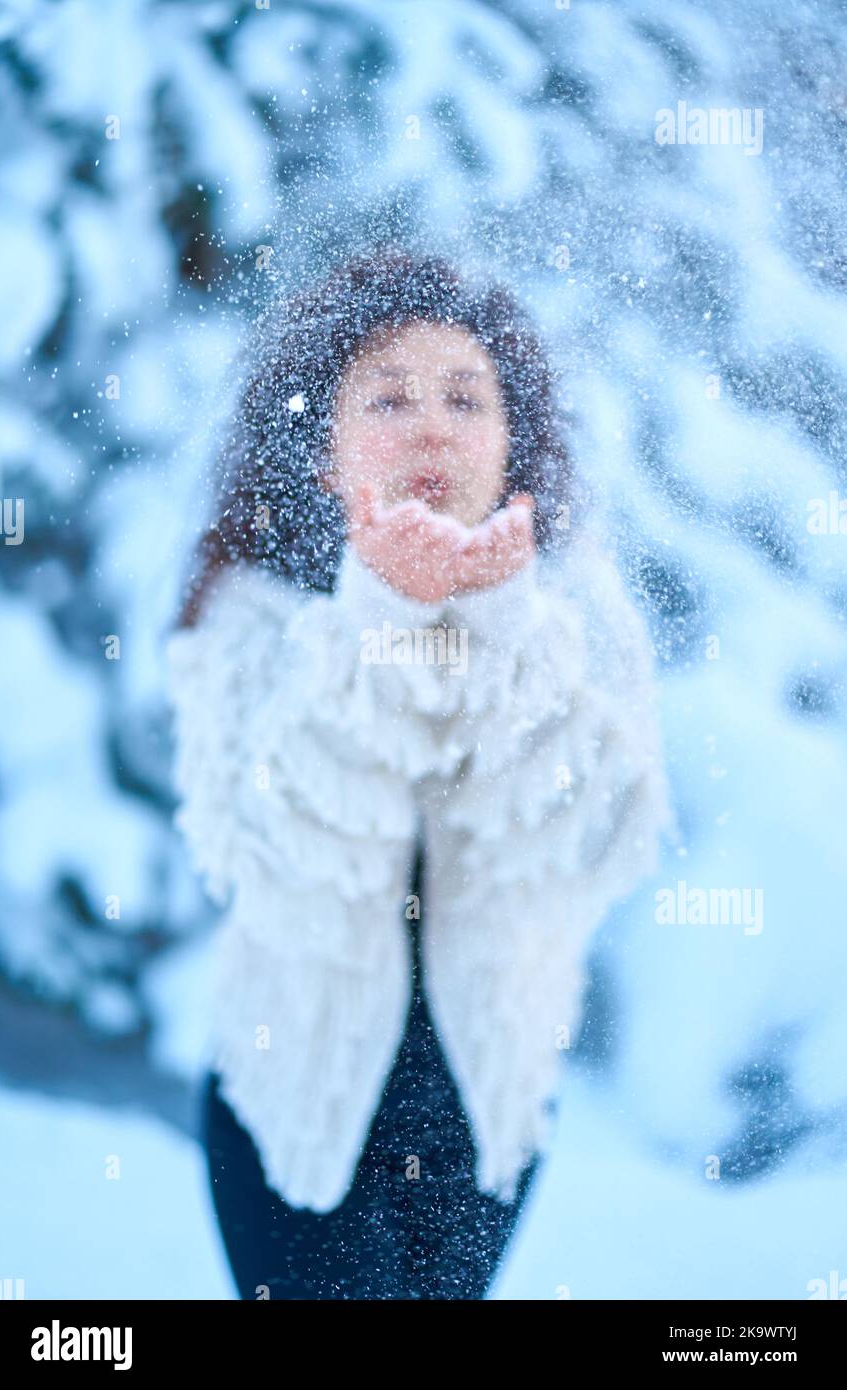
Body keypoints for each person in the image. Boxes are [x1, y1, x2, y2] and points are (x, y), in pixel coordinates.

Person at [165, 246, 672, 1299]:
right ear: (320, 448)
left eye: (465, 397)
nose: (432, 424)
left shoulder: (577, 612)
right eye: (387, 396)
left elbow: (592, 840)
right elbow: (277, 851)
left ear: (512, 443)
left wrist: (495, 625)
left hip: (489, 1109)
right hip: (289, 1104)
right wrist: (381, 619)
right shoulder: (248, 614)